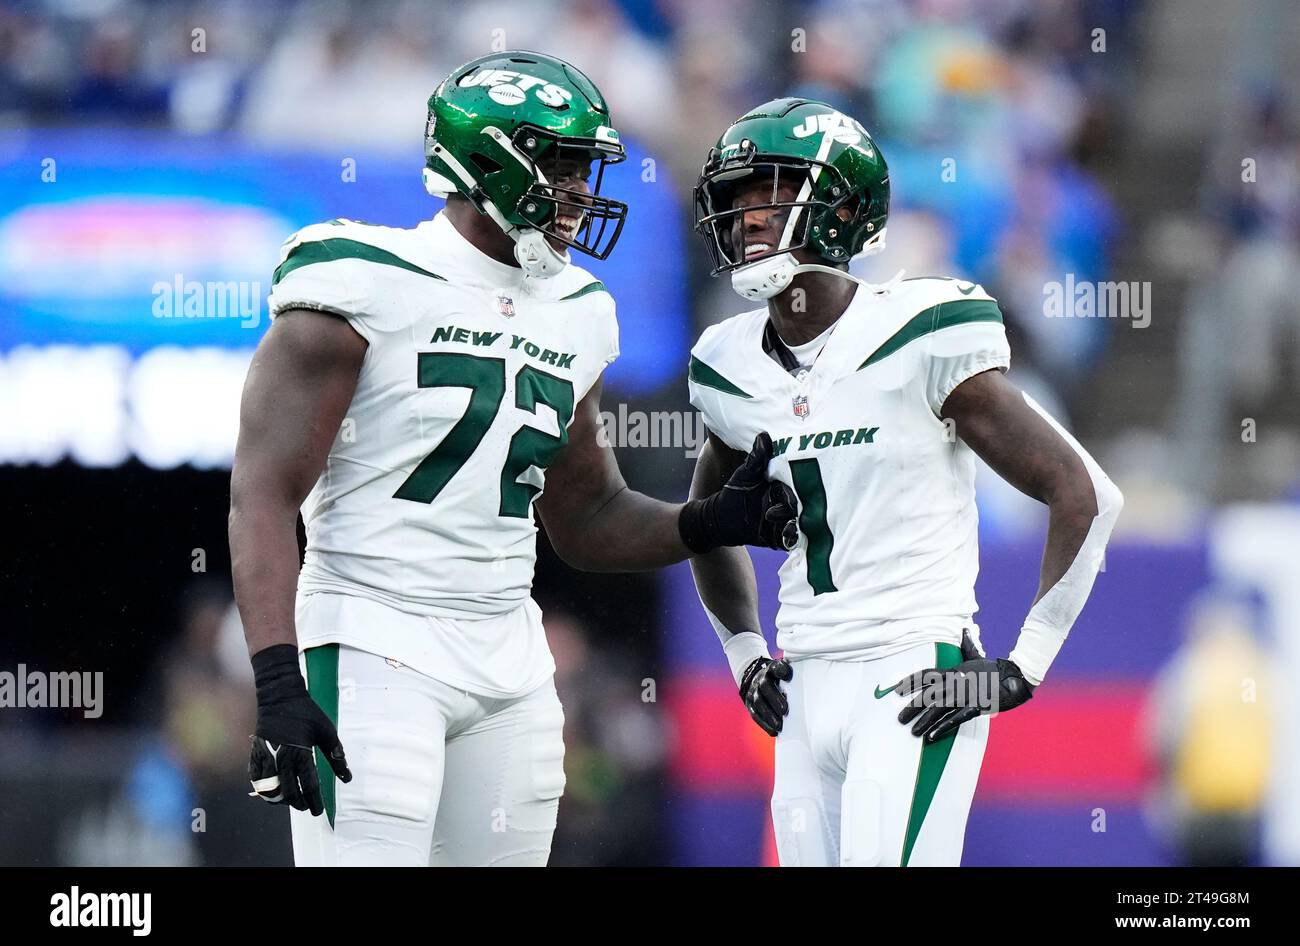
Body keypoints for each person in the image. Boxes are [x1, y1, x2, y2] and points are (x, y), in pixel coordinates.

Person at [228, 52, 795, 867]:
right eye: (562, 167)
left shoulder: (578, 310)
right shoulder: (358, 278)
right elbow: (262, 497)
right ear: (489, 160)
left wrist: (710, 520)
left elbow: (588, 514)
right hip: (370, 640)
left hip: (510, 662)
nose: (581, 194)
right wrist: (278, 680)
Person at [686, 98, 1124, 866]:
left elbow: (1084, 494)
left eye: (771, 191)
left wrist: (1021, 668)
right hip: (803, 681)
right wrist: (744, 653)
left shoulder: (924, 329)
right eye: (737, 195)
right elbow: (704, 522)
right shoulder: (726, 365)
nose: (747, 214)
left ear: (843, 209)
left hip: (913, 675)